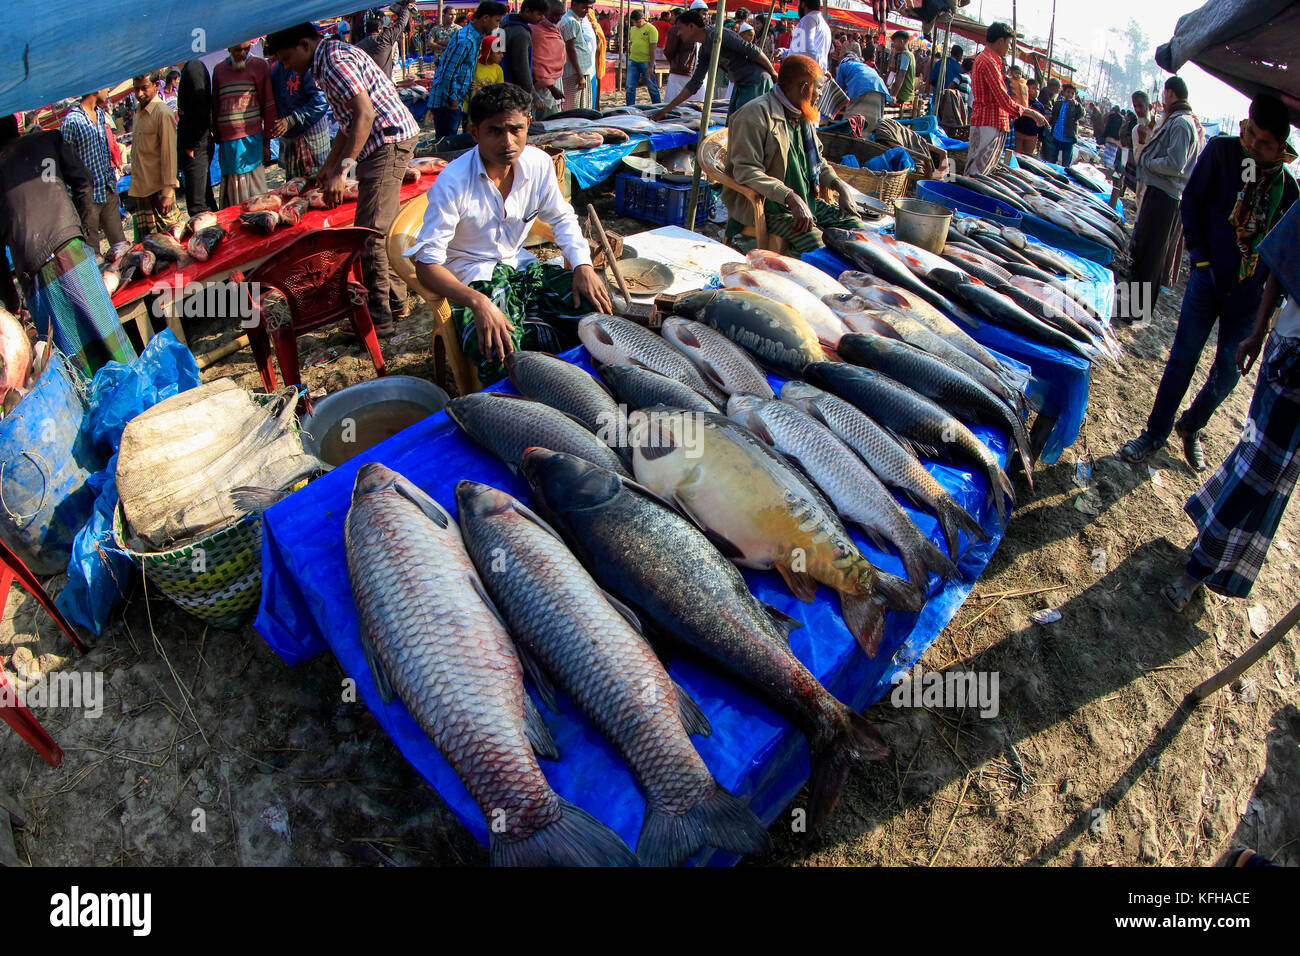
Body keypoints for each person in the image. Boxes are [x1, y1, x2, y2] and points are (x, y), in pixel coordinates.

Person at [1119, 94, 1297, 472]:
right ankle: (1154, 432)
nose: (1253, 146)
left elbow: (1281, 255)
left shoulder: (1289, 191)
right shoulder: (1221, 152)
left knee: (1228, 374)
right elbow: (1193, 202)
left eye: (1265, 143)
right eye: (1250, 134)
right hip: (1207, 279)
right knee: (1183, 357)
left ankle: (1192, 425)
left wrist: (1264, 313)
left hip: (1248, 297)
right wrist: (1200, 258)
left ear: (1281, 147)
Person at [404, 83, 610, 383]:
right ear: (475, 133)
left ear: (528, 124)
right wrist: (478, 302)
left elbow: (562, 217)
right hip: (474, 277)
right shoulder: (453, 181)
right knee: (498, 350)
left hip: (520, 266)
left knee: (598, 315)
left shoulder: (538, 163)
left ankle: (575, 384)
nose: (508, 141)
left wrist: (583, 265)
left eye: (516, 129)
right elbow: (426, 267)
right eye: (495, 131)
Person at [1162, 199, 1300, 610]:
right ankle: (1198, 568)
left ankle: (1209, 525)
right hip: (1290, 362)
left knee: (1272, 471)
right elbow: (1277, 262)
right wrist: (1258, 334)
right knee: (1260, 470)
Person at [266, 21, 421, 336]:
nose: (286, 67)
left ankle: (380, 321)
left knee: (368, 234)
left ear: (305, 45)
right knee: (379, 228)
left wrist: (343, 170)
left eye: (285, 59)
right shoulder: (325, 64)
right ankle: (395, 303)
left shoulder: (334, 60)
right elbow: (347, 124)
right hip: (382, 144)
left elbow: (365, 115)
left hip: (387, 144)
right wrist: (330, 165)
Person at [0, 115, 136, 376]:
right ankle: (131, 382)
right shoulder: (47, 139)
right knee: (105, 329)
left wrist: (11, 300)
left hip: (36, 270)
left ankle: (96, 403)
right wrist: (83, 232)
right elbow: (84, 183)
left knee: (71, 354)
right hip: (70, 248)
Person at [722, 54, 864, 253]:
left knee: (858, 229)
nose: (820, 96)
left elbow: (818, 161)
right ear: (804, 88)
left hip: (806, 200)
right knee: (819, 247)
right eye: (818, 89)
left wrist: (839, 186)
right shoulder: (754, 115)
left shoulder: (802, 113)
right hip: (770, 207)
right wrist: (789, 197)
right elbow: (747, 171)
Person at [1121, 76, 1205, 323]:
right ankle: (1135, 309)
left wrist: (1147, 162)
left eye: (1164, 94)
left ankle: (1136, 312)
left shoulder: (1181, 124)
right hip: (1162, 195)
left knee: (1150, 256)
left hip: (1164, 197)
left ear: (1169, 93)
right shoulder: (1181, 121)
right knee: (1147, 253)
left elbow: (1175, 164)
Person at [651, 10, 778, 122]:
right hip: (741, 83)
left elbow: (753, 51)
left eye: (680, 29)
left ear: (691, 26)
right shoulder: (704, 49)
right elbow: (694, 83)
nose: (678, 33)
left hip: (755, 80)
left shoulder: (718, 34)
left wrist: (773, 73)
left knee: (745, 124)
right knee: (732, 122)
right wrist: (665, 110)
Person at [968, 23, 1040, 176]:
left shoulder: (986, 59)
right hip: (989, 122)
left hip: (987, 121)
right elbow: (1003, 100)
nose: (1009, 48)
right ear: (1000, 41)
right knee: (979, 172)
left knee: (979, 169)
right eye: (1009, 43)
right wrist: (1031, 113)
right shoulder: (989, 62)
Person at [211, 41, 278, 208]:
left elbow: (268, 104)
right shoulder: (219, 70)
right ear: (228, 48)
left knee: (255, 194)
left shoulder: (259, 65)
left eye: (246, 49)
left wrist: (267, 142)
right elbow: (215, 106)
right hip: (227, 142)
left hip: (252, 138)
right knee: (232, 192)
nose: (242, 53)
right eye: (237, 50)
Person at [60, 90, 127, 257]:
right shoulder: (71, 121)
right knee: (92, 253)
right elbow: (65, 161)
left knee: (121, 246)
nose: (109, 91)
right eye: (106, 89)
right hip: (88, 197)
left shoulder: (100, 114)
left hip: (108, 189)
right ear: (96, 90)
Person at [427, 1, 508, 138]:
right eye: (497, 21)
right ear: (485, 18)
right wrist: (453, 101)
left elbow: (463, 67)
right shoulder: (466, 40)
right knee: (447, 143)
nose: (497, 26)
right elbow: (449, 73)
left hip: (454, 99)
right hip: (446, 102)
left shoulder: (474, 37)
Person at [126, 72, 185, 239]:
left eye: (144, 88)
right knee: (151, 246)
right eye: (136, 89)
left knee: (172, 241)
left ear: (156, 85)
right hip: (142, 189)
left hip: (159, 190)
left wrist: (168, 190)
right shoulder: (138, 111)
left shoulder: (162, 112)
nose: (139, 94)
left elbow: (169, 153)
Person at [269, 56, 332, 179]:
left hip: (311, 135)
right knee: (295, 184)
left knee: (319, 182)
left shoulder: (305, 66)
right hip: (290, 136)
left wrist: (292, 119)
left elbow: (321, 101)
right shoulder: (276, 69)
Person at [176, 59, 216, 215]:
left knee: (198, 206)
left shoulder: (193, 67)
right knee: (204, 200)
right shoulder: (190, 68)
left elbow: (200, 107)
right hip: (195, 144)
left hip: (197, 145)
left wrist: (191, 144)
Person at [500, 0, 547, 109]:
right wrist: (534, 96)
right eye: (539, 14)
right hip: (514, 89)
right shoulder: (521, 34)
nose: (542, 18)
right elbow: (521, 68)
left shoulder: (506, 22)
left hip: (501, 82)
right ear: (527, 11)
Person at [356, 1, 413, 80]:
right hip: (384, 83)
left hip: (367, 85)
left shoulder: (358, 46)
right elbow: (401, 24)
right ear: (379, 29)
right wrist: (407, 9)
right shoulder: (384, 39)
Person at [530, 1, 568, 117]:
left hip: (555, 80)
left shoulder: (554, 29)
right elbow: (538, 62)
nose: (558, 18)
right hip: (541, 85)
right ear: (545, 13)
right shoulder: (536, 31)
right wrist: (551, 87)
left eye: (561, 15)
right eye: (555, 14)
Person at [836, 51, 890, 129]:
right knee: (872, 123)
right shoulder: (864, 66)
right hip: (880, 89)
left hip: (861, 87)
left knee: (851, 123)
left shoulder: (844, 65)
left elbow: (839, 89)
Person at [560, 0, 597, 111]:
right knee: (574, 111)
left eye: (589, 8)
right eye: (584, 7)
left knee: (583, 109)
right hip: (575, 74)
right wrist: (580, 75)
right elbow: (570, 49)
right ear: (575, 4)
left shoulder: (577, 20)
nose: (587, 11)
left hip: (581, 72)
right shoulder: (570, 21)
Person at [663, 11, 699, 105]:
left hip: (682, 69)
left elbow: (668, 50)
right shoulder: (696, 30)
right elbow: (669, 51)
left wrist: (674, 62)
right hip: (684, 69)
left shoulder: (675, 29)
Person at [626, 10, 661, 106]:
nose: (636, 24)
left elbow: (653, 49)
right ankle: (630, 107)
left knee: (652, 86)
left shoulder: (651, 29)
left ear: (643, 19)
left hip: (646, 61)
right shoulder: (632, 29)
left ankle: (657, 105)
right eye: (634, 22)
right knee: (629, 87)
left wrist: (651, 65)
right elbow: (632, 43)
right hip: (633, 60)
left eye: (638, 22)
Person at [465, 34, 506, 113]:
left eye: (502, 52)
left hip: (485, 109)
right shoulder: (473, 65)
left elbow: (499, 90)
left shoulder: (498, 70)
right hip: (469, 107)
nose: (502, 56)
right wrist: (468, 86)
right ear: (488, 52)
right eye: (498, 53)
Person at [788, 0, 832, 72]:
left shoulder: (809, 19)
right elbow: (799, 49)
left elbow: (807, 48)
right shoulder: (824, 24)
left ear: (803, 4)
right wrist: (783, 52)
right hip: (812, 73)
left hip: (804, 73)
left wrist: (822, 69)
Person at [1047, 83, 1083, 166]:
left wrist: (1077, 104)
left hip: (1068, 139)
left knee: (1066, 163)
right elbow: (1053, 116)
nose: (1069, 95)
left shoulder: (1075, 106)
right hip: (1056, 136)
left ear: (1075, 95)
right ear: (1063, 92)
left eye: (1072, 93)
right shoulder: (1058, 104)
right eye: (1068, 92)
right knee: (1052, 160)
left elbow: (1081, 113)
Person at [886, 31, 915, 110]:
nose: (893, 45)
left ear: (901, 41)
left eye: (895, 42)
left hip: (903, 94)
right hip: (908, 94)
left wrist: (894, 95)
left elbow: (901, 75)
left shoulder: (905, 55)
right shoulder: (910, 55)